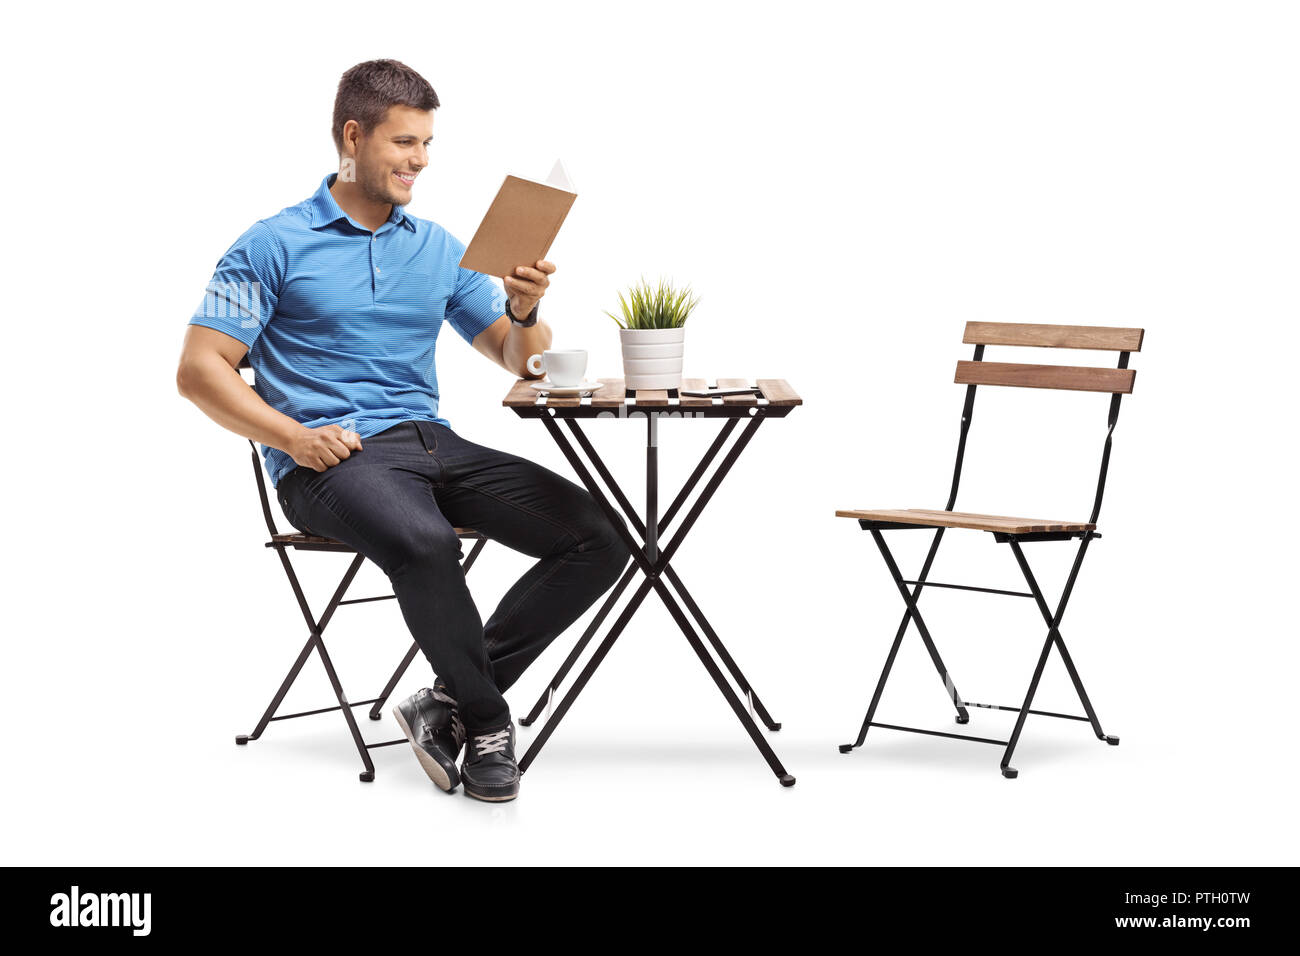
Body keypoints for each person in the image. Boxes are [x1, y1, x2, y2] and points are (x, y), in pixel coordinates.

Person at [176, 59, 630, 803]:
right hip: (332, 461)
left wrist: (522, 311)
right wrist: (291, 437)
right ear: (353, 138)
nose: (420, 160)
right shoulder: (268, 245)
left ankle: (446, 698)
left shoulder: (438, 246)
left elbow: (517, 359)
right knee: (426, 542)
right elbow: (199, 370)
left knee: (599, 536)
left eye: (427, 144)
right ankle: (484, 722)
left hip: (431, 442)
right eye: (404, 143)